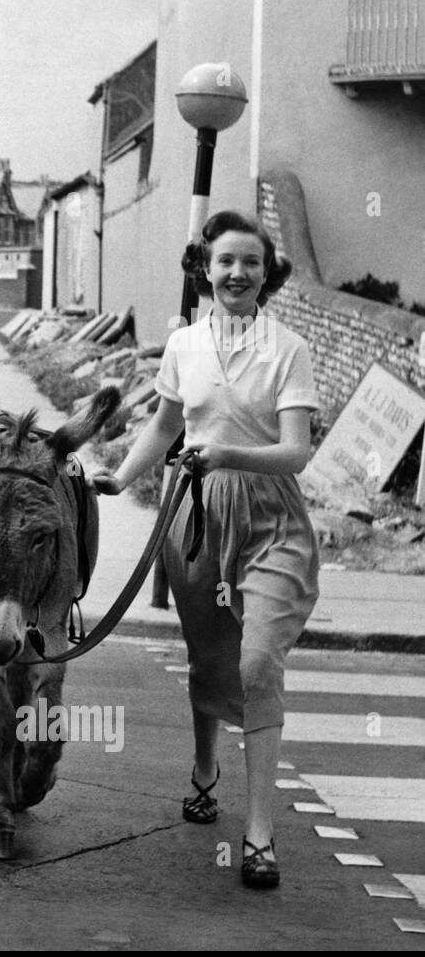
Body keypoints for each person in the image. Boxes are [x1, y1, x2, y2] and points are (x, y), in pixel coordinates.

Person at [90, 210, 320, 890]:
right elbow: (164, 425)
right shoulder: (184, 345)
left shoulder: (289, 348)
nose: (237, 274)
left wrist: (225, 453)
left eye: (250, 262)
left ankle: (259, 832)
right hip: (194, 516)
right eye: (225, 261)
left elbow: (297, 452)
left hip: (272, 517)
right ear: (205, 268)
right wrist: (120, 475)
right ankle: (202, 768)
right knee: (209, 656)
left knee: (255, 665)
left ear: (267, 273)